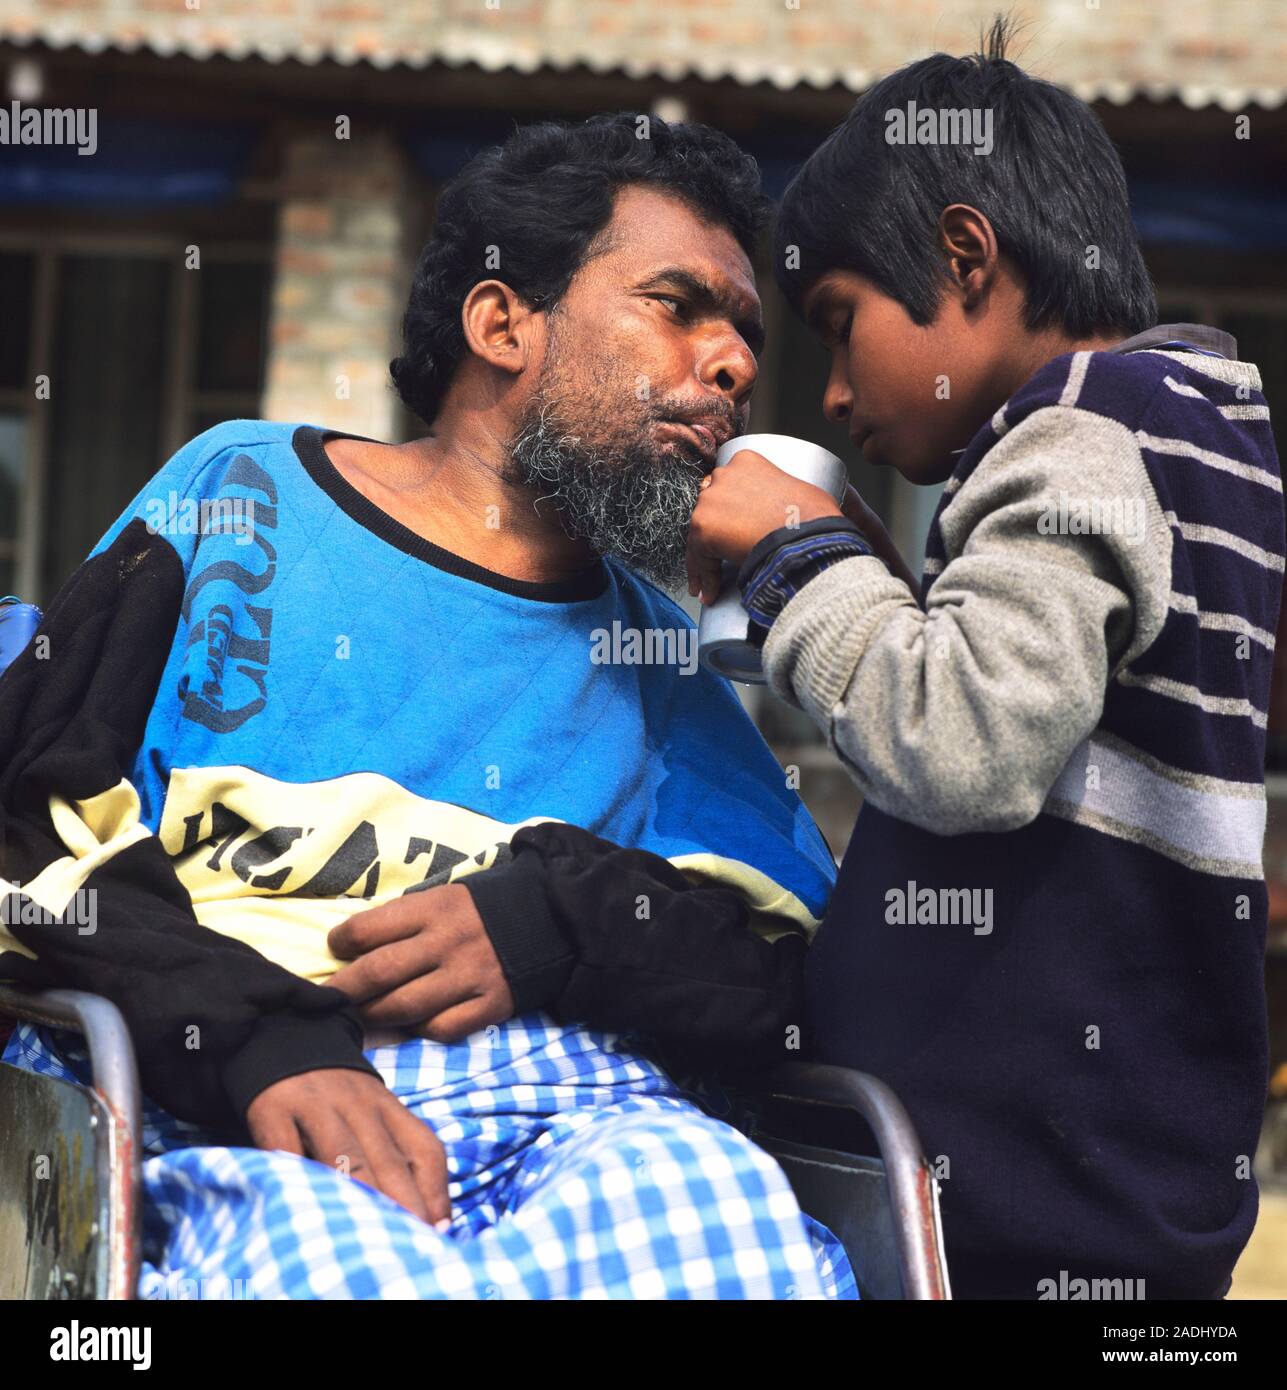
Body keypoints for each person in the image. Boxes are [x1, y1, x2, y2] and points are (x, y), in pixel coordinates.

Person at [0, 113, 856, 1300]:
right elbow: (30, 809)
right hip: (232, 1097)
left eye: (745, 334)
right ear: (502, 323)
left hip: (575, 1113)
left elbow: (787, 970)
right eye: (679, 305)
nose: (735, 366)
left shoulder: (659, 656)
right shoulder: (241, 494)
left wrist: (566, 920)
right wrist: (253, 1037)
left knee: (716, 1222)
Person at [685, 19, 1284, 1299]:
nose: (834, 392)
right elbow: (1053, 702)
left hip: (1015, 1195)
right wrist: (885, 591)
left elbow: (968, 749)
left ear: (966, 257)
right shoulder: (1200, 432)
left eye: (843, 327)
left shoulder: (1080, 427)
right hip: (1128, 1172)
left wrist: (796, 558)